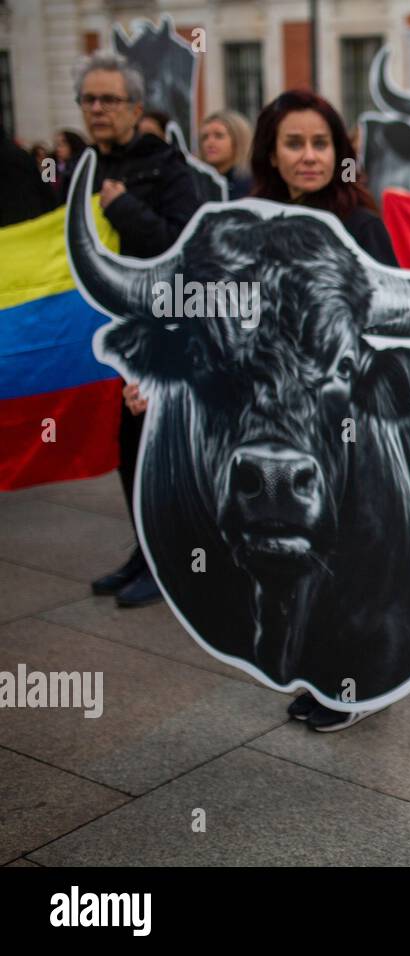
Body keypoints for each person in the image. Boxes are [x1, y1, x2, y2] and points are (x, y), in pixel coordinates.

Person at [244, 89, 410, 731]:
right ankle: (318, 667)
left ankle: (354, 688)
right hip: (276, 421)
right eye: (295, 143)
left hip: (346, 419)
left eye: (321, 143)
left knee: (353, 548)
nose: (310, 155)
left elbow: (394, 324)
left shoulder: (363, 225)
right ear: (272, 153)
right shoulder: (247, 224)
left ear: (340, 153)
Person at [75, 51, 201, 609]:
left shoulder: (169, 168)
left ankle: (172, 560)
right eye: (89, 100)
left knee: (154, 451)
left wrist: (124, 210)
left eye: (109, 100)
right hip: (99, 335)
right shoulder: (80, 169)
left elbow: (183, 248)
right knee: (125, 450)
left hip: (155, 336)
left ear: (135, 107)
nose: (98, 110)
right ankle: (144, 549)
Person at [200, 109, 253, 199]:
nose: (209, 142)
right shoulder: (197, 185)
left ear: (239, 141)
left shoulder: (252, 186)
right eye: (205, 137)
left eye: (219, 136)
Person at [53, 129, 89, 203]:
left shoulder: (74, 169)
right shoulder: (64, 167)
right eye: (56, 145)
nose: (58, 149)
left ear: (73, 144)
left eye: (61, 145)